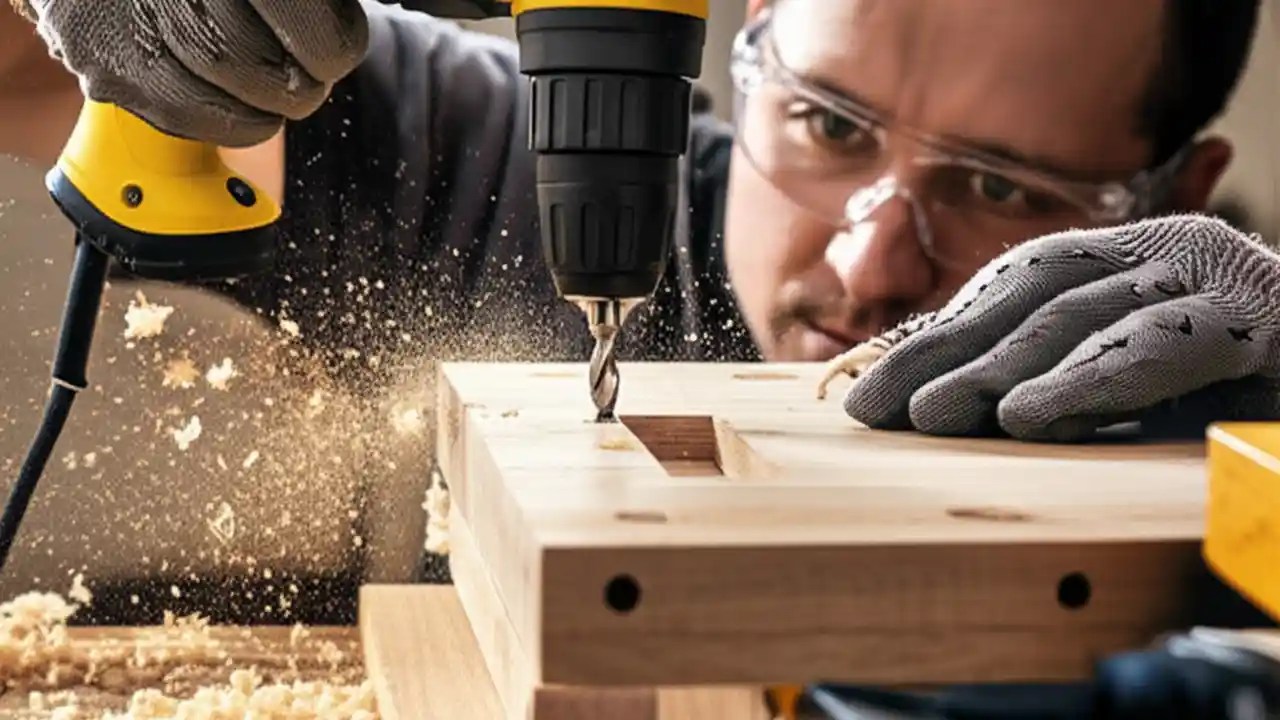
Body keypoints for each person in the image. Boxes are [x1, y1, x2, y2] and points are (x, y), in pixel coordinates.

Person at [0, 0, 1272, 612]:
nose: (870, 263)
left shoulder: (1207, 348)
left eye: (1000, 184)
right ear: (746, 39)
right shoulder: (470, 145)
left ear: (1169, 188)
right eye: (826, 126)